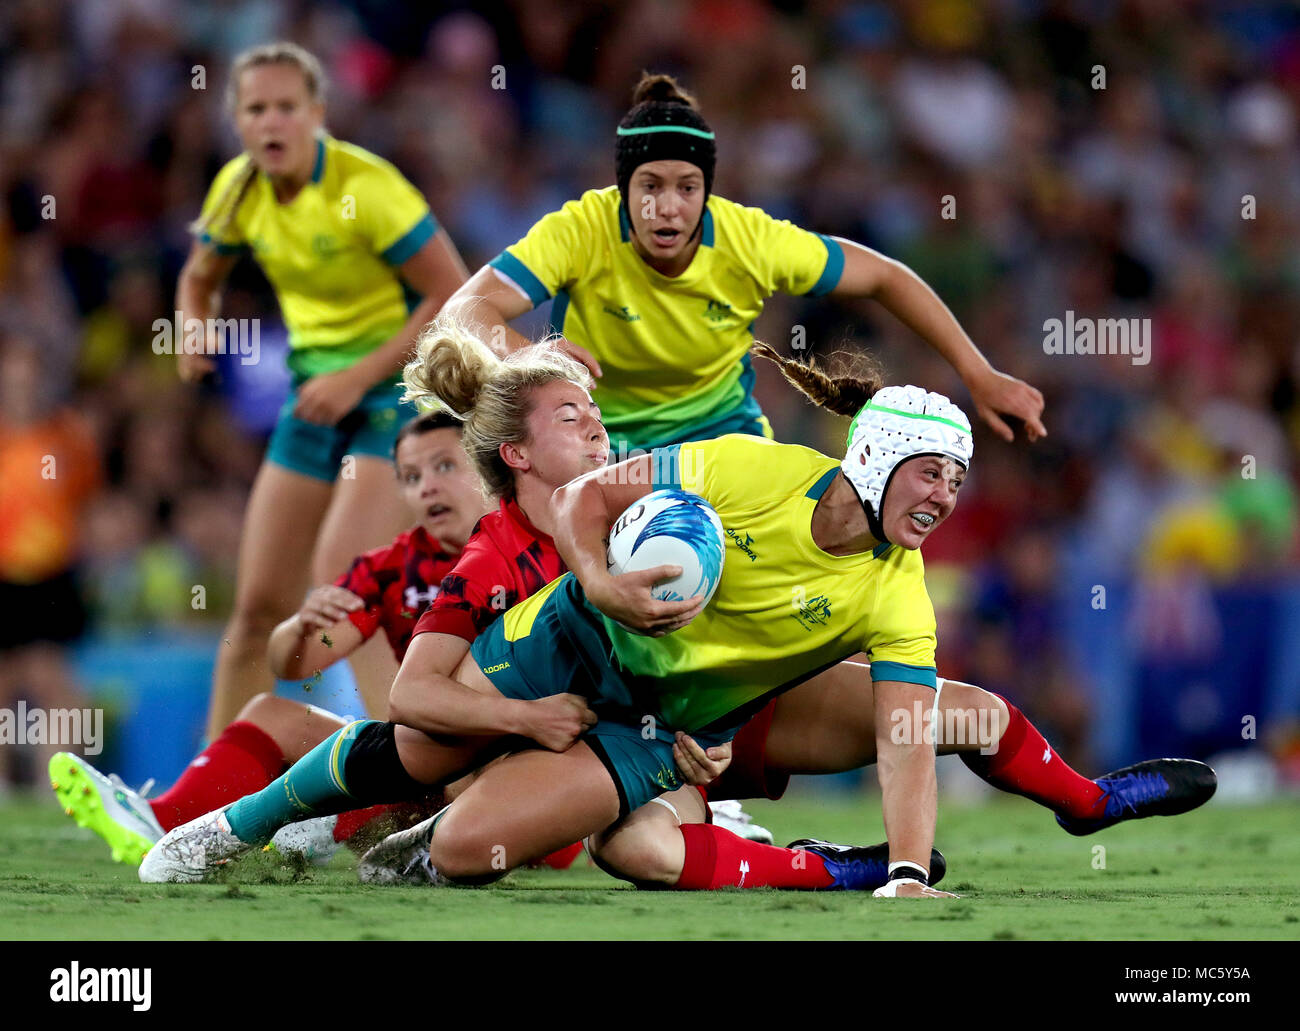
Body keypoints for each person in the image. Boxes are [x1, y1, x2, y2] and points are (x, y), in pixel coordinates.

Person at [441, 72, 1047, 457]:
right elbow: (465, 308)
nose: (668, 207)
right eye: (649, 185)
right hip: (599, 443)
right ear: (623, 189)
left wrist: (977, 372)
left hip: (723, 442)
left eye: (687, 187)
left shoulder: (750, 240)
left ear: (708, 191)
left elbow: (886, 276)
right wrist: (528, 354)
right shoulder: (580, 229)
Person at [176, 42, 469, 734]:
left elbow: (452, 293)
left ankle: (414, 777)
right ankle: (207, 804)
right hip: (315, 395)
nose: (271, 122)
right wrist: (192, 326)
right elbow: (197, 275)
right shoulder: (239, 189)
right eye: (256, 109)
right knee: (257, 609)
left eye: (286, 107)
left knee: (347, 580)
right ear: (238, 122)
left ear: (317, 114)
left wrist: (354, 377)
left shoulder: (366, 188)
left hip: (396, 389)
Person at [51, 411, 488, 864]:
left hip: (505, 785)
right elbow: (295, 665)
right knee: (270, 712)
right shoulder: (391, 567)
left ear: (486, 465)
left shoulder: (524, 549)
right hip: (421, 779)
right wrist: (301, 627)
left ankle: (316, 815)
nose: (428, 487)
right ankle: (168, 824)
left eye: (445, 466)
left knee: (435, 735)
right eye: (411, 476)